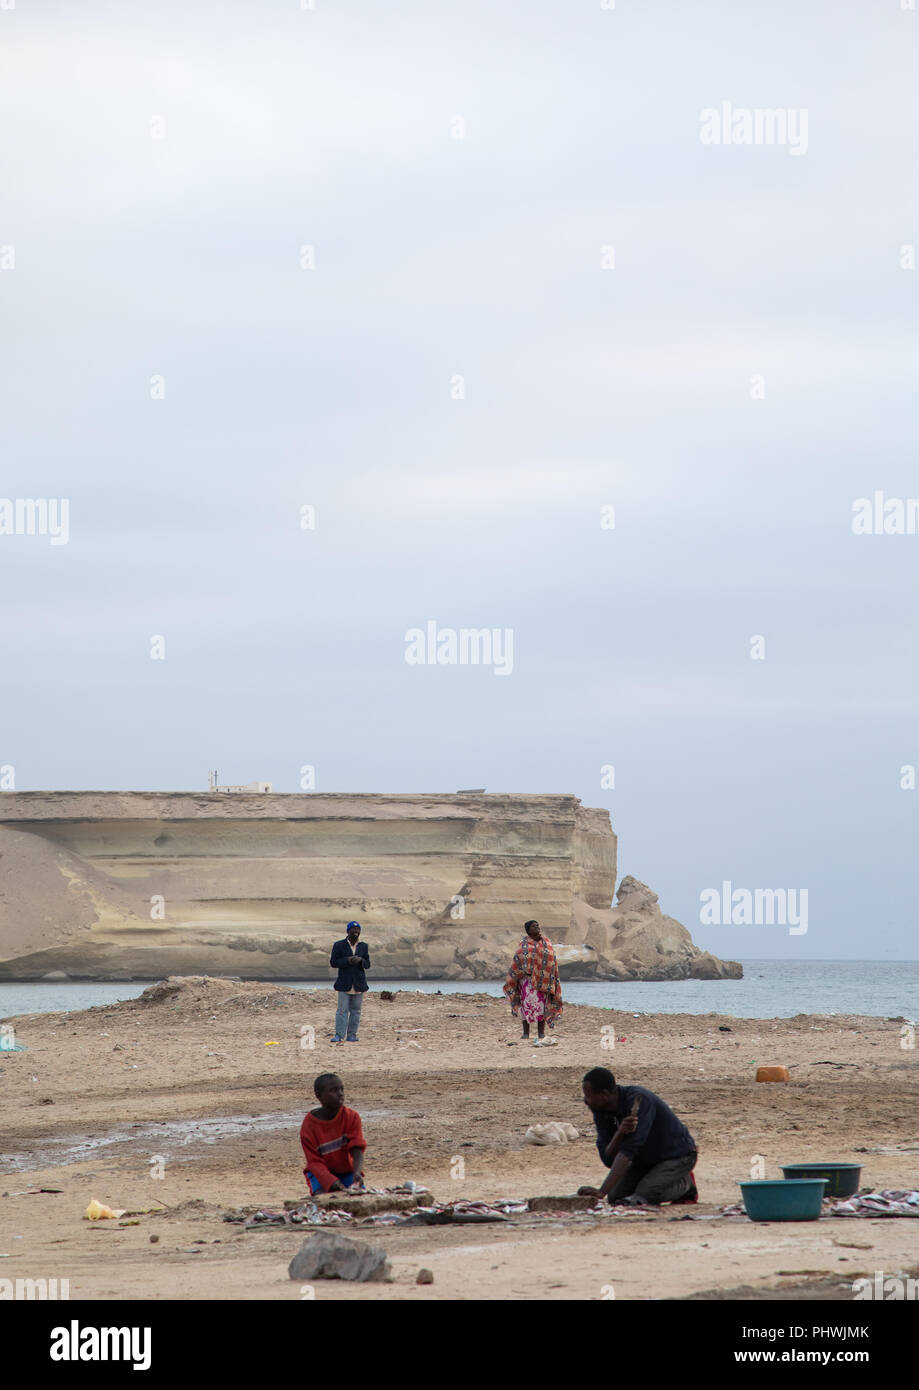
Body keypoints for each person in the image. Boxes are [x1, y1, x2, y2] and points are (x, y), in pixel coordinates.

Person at [578, 1067, 698, 1206]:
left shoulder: (638, 1101)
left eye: (589, 1095)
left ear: (604, 1094)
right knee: (616, 1197)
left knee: (645, 1195)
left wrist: (602, 1191)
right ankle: (657, 1179)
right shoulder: (600, 1110)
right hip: (646, 1161)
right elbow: (608, 1159)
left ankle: (686, 1185)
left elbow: (628, 1151)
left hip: (677, 1156)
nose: (586, 1101)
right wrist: (619, 1133)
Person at [299, 1072, 367, 1195]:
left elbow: (357, 1149)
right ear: (319, 1096)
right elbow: (314, 1162)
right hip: (319, 1172)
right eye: (333, 1090)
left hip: (346, 1170)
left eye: (341, 1089)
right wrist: (332, 1182)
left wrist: (357, 1173)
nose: (340, 1093)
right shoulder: (309, 1126)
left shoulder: (352, 1117)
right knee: (323, 1198)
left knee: (358, 1194)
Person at [502, 919, 562, 1045]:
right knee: (526, 1006)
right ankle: (526, 1033)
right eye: (534, 926)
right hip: (527, 981)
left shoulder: (546, 942)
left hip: (543, 981)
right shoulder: (523, 944)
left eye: (538, 926)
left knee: (542, 1006)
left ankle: (541, 1032)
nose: (537, 928)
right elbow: (518, 960)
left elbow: (552, 959)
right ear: (528, 930)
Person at [329, 920, 370, 1043]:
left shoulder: (363, 946)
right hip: (344, 984)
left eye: (357, 930)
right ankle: (339, 1035)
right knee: (342, 1011)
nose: (355, 932)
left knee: (356, 1011)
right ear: (348, 931)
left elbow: (368, 964)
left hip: (359, 984)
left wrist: (360, 960)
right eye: (353, 930)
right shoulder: (339, 945)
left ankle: (352, 1035)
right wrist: (348, 960)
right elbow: (334, 962)